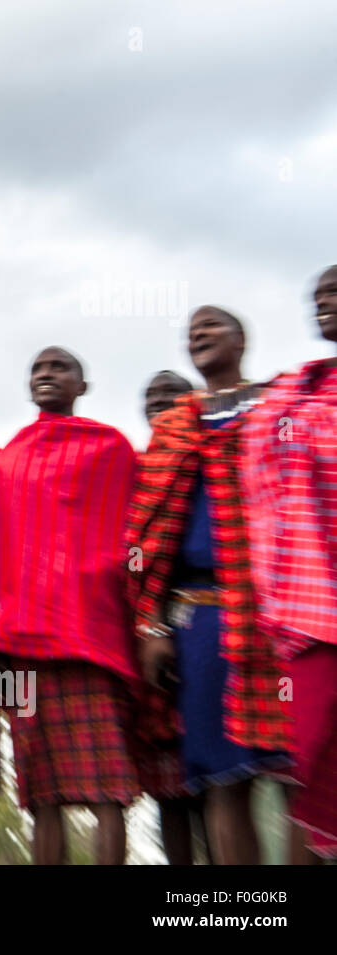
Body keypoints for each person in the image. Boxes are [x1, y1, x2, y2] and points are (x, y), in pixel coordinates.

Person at [129, 308, 291, 866]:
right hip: (199, 618)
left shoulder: (281, 408)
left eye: (211, 326)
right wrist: (150, 624)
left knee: (298, 770)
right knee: (222, 777)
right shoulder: (174, 426)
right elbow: (147, 540)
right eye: (190, 331)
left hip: (281, 612)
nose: (197, 334)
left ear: (242, 339)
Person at [0, 346, 139, 865]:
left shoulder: (110, 448)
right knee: (40, 793)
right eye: (38, 369)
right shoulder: (7, 460)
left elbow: (133, 536)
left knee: (109, 789)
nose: (46, 375)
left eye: (58, 367)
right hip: (24, 644)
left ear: (82, 386)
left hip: (93, 639)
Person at [241, 266, 337, 862]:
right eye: (319, 296)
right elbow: (266, 497)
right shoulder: (290, 398)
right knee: (304, 756)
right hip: (311, 607)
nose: (325, 302)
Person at [132, 368, 207, 865]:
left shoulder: (207, 456)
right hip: (151, 625)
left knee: (216, 776)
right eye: (151, 394)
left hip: (206, 615)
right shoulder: (139, 470)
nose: (159, 402)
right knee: (168, 786)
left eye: (171, 394)